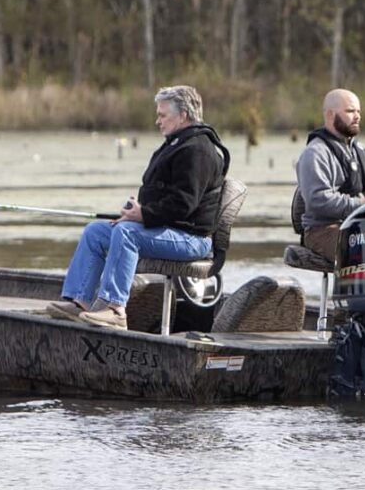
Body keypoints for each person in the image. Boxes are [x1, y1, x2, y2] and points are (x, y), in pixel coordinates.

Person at [47, 85, 229, 330]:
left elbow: (184, 204)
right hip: (167, 228)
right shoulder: (177, 143)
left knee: (127, 234)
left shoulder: (198, 150)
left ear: (183, 115)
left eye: (163, 115)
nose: (157, 120)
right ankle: (79, 302)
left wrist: (143, 215)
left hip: (192, 239)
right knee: (96, 232)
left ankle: (115, 309)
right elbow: (165, 196)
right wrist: (135, 211)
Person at [293, 88, 365, 262]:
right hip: (323, 231)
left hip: (362, 227)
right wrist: (361, 203)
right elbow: (318, 201)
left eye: (359, 111)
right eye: (350, 111)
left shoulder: (363, 151)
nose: (357, 116)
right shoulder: (315, 153)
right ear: (330, 115)